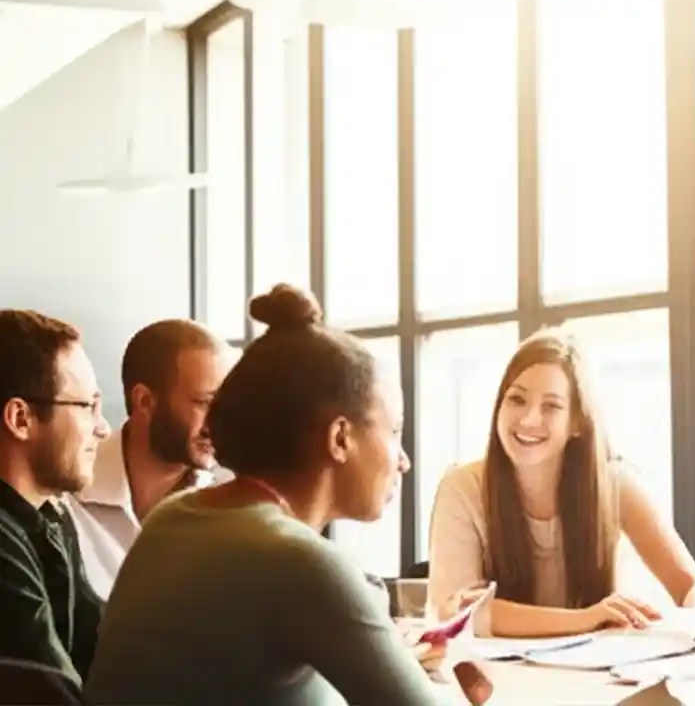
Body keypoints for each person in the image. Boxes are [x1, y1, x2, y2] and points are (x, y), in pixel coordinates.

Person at [86, 285, 453, 705]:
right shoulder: (302, 564)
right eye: (394, 431)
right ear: (340, 437)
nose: (402, 460)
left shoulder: (173, 517)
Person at [428, 328, 695, 638]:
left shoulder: (615, 483)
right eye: (516, 399)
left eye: (551, 406)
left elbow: (691, 587)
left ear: (577, 423)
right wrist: (585, 619)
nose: (528, 419)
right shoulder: (461, 488)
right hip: (493, 682)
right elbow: (460, 614)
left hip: (600, 677)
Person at [67, 319, 234, 598]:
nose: (219, 423)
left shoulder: (237, 501)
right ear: (145, 401)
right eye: (204, 403)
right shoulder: (64, 493)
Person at [0, 309, 111, 687]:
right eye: (87, 407)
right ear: (20, 419)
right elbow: (49, 690)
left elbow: (103, 649)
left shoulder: (50, 517)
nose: (103, 427)